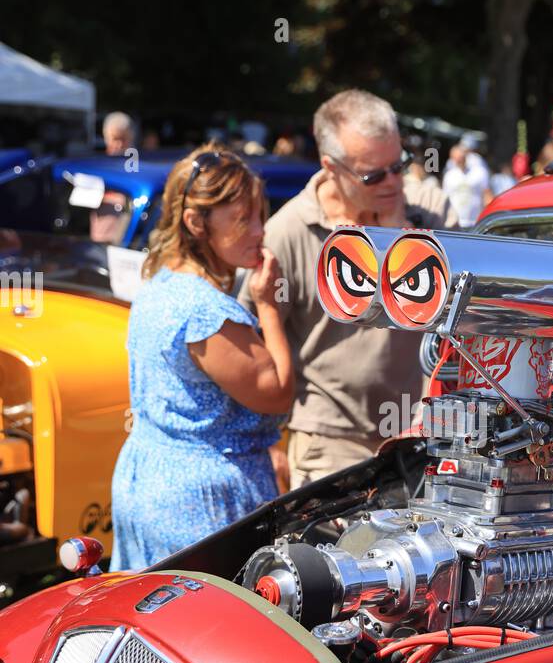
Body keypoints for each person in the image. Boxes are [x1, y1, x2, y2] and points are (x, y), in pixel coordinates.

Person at [240, 88, 457, 490]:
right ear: (331, 168)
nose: (394, 182)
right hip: (329, 438)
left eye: (400, 165)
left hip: (418, 433)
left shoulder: (429, 210)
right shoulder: (288, 232)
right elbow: (251, 345)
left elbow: (461, 310)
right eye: (374, 175)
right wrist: (267, 441)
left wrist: (398, 235)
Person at [110, 147, 294, 569]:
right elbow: (278, 393)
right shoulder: (205, 313)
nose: (259, 231)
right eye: (242, 219)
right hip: (202, 502)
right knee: (206, 625)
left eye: (261, 216)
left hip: (147, 476)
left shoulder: (160, 283)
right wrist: (267, 304)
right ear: (196, 223)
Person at [441, 134, 491, 227]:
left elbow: (487, 195)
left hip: (475, 223)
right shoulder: (449, 175)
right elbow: (445, 198)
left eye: (461, 157)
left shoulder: (479, 169)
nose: (459, 160)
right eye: (456, 158)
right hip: (454, 223)